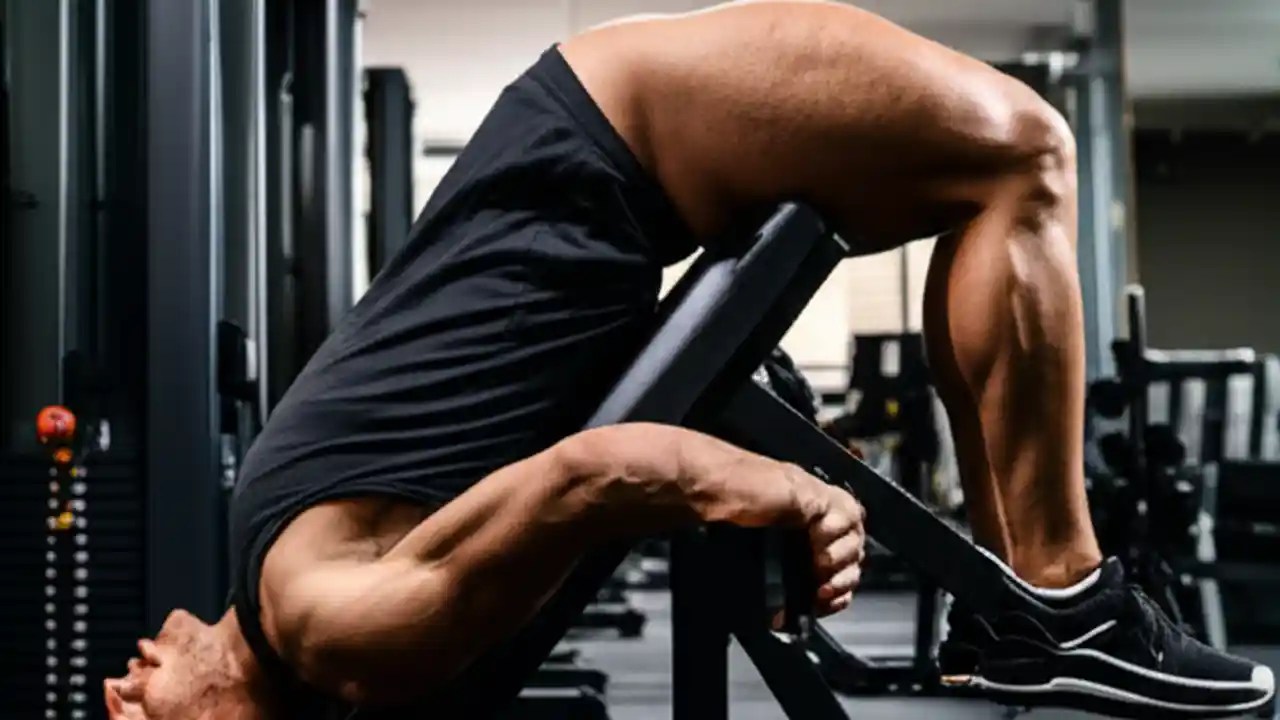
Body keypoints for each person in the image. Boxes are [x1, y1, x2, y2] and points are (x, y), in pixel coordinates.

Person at [105, 2, 1275, 719]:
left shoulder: (280, 586)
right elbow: (585, 478)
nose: (120, 686)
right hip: (610, 146)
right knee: (1025, 152)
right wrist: (779, 486)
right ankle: (1060, 597)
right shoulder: (338, 633)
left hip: (592, 144)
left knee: (1008, 165)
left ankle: (1037, 604)